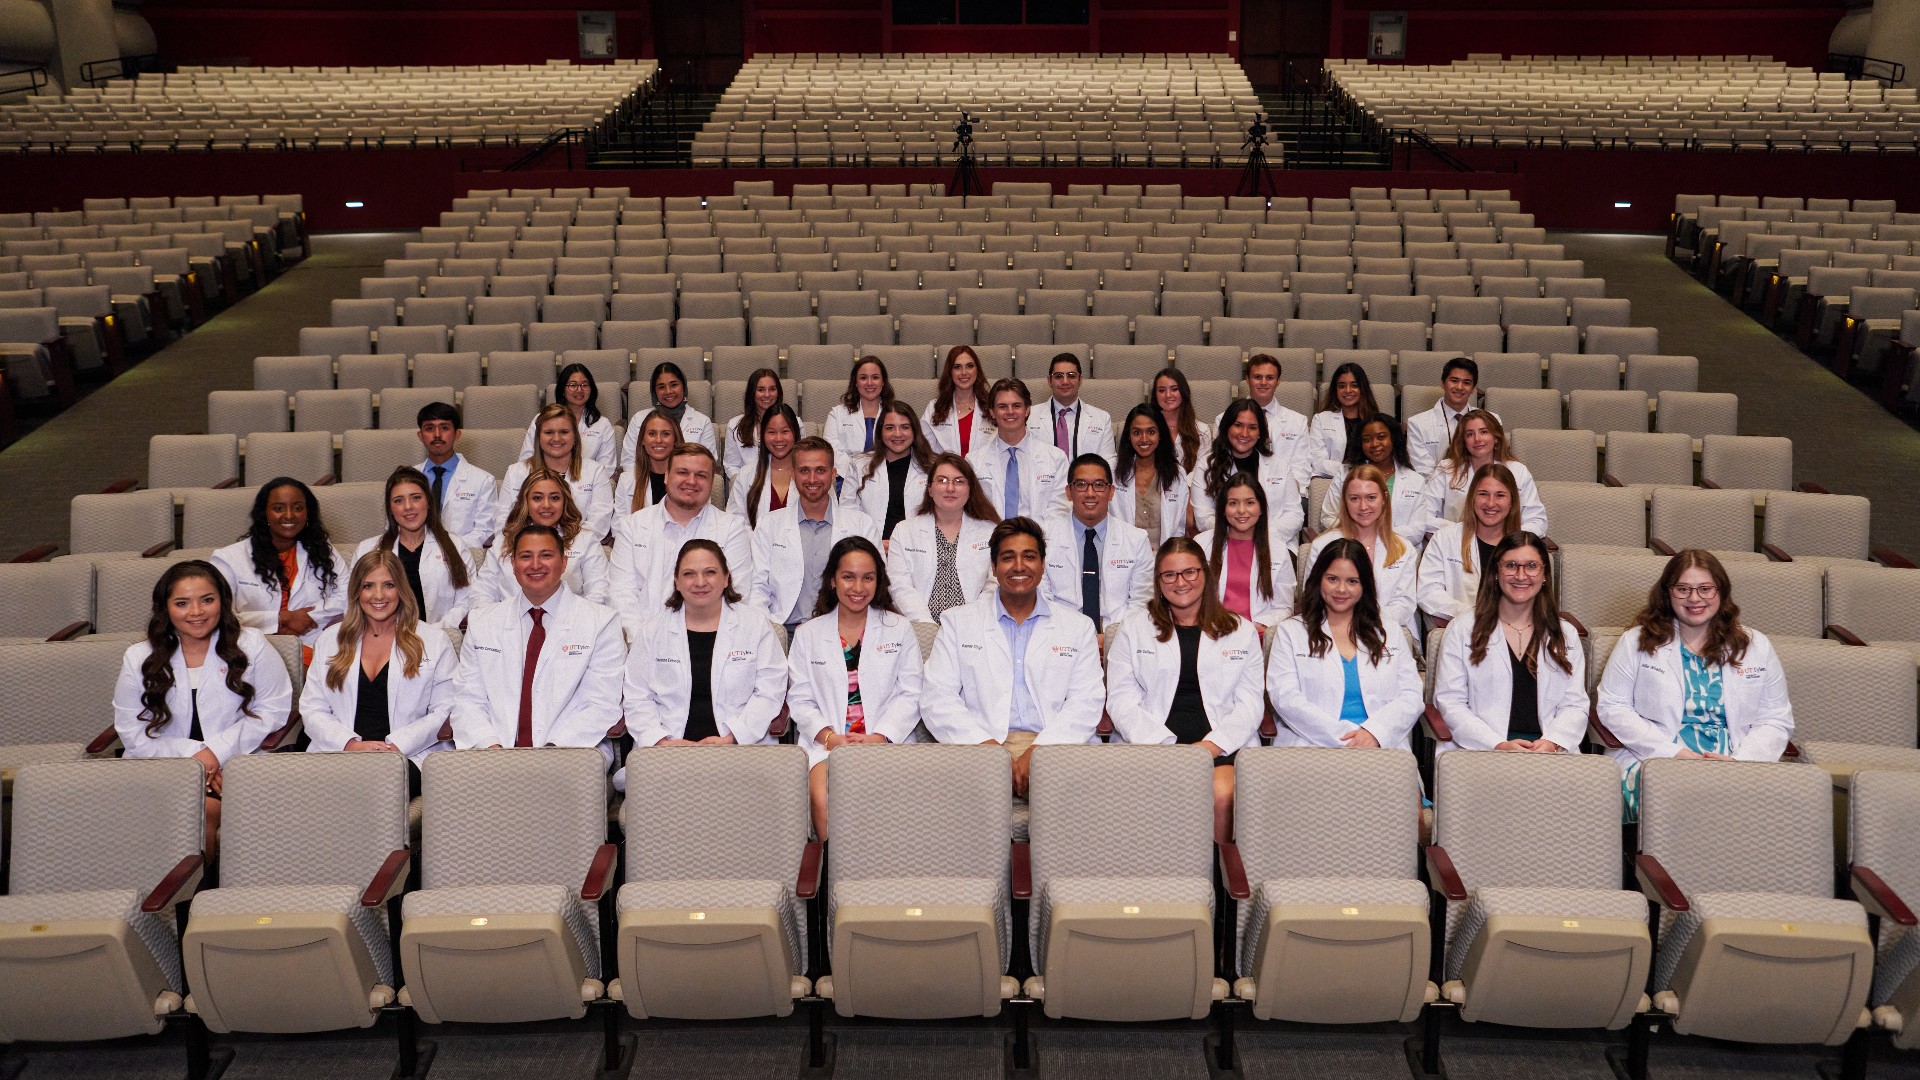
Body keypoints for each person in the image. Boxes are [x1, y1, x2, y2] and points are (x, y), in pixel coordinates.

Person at [1597, 549, 1794, 820]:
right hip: (1654, 757)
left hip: (1734, 759)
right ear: (1668, 593)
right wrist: (1673, 753)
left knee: (1786, 803)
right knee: (1683, 801)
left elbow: (1775, 719)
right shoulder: (1637, 641)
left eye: (1705, 589)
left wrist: (1740, 762)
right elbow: (1613, 707)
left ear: (1721, 592)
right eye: (1683, 589)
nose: (1694, 598)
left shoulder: (1755, 645)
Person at [113, 560, 293, 851]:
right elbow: (132, 731)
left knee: (198, 817)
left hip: (232, 768)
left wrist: (216, 752)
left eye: (207, 600)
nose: (196, 612)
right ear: (166, 608)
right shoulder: (138, 657)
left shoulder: (252, 644)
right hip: (161, 768)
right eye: (182, 603)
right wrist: (197, 755)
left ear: (222, 601)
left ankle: (192, 894)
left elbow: (273, 710)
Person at [922, 517, 1104, 797]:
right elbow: (938, 698)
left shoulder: (1078, 627)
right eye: (1008, 557)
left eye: (1029, 557)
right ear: (993, 567)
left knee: (1070, 819)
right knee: (968, 821)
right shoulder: (958, 623)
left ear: (1043, 565)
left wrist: (1038, 753)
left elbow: (1086, 701)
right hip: (980, 745)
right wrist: (989, 751)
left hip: (1056, 746)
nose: (1019, 566)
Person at [1105, 538, 1265, 841]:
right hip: (1152, 746)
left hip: (1221, 747)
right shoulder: (1134, 628)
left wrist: (1210, 747)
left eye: (1190, 572)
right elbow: (1121, 700)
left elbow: (1251, 705)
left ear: (1205, 573)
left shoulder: (1240, 630)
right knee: (1142, 794)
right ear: (1158, 581)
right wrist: (1164, 746)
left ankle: (1218, 883)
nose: (1181, 582)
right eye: (1170, 575)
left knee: (1221, 795)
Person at [449, 524, 625, 759]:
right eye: (525, 556)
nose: (535, 565)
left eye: (546, 555)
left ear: (563, 563)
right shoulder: (482, 622)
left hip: (571, 753)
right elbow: (468, 699)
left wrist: (550, 753)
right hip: (493, 754)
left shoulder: (601, 622)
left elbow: (602, 704)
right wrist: (491, 748)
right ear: (513, 564)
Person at [787, 536, 925, 839]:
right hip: (828, 744)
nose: (858, 588)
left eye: (868, 578)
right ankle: (835, 877)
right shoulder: (808, 633)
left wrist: (880, 737)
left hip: (887, 742)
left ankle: (886, 875)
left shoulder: (899, 629)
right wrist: (830, 737)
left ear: (879, 582)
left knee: (893, 805)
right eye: (848, 577)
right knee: (824, 797)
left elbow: (911, 692)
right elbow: (800, 698)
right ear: (833, 581)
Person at [301, 550, 458, 798]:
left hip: (406, 755)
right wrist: (350, 744)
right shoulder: (330, 640)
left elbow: (444, 710)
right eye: (368, 586)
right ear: (356, 592)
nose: (378, 596)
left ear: (401, 590)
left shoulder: (434, 641)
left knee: (369, 794)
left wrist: (394, 746)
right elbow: (312, 709)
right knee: (317, 794)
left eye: (388, 585)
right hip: (340, 752)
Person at [622, 539, 786, 756]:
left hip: (741, 748)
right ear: (676, 582)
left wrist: (733, 738)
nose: (700, 582)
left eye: (710, 572)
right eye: (689, 574)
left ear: (727, 578)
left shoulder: (755, 625)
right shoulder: (652, 630)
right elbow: (637, 696)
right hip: (668, 751)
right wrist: (662, 742)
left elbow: (769, 691)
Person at [1431, 532, 1587, 755]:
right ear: (1496, 572)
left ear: (1544, 574)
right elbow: (1450, 702)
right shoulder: (1463, 629)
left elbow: (1575, 705)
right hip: (1480, 748)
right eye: (1511, 565)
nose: (1521, 575)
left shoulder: (1564, 634)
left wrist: (1552, 741)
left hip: (1547, 751)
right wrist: (1497, 744)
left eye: (1531, 566)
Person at [1266, 538, 1423, 750]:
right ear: (1318, 579)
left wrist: (1374, 734)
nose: (1341, 589)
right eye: (1332, 579)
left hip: (1378, 746)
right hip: (1311, 745)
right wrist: (1346, 738)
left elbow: (1411, 695)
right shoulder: (1290, 632)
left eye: (1352, 581)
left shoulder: (1389, 631)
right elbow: (1285, 698)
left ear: (1365, 585)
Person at [608, 442, 753, 638]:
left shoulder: (732, 529)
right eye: (682, 472)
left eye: (701, 475)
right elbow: (621, 594)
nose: (691, 481)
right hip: (644, 641)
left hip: (711, 640)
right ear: (666, 476)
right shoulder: (632, 527)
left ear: (712, 482)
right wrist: (645, 642)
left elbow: (736, 594)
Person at [747, 436, 882, 636]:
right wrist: (768, 632)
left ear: (833, 474)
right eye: (804, 471)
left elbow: (877, 582)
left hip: (844, 632)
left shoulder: (861, 525)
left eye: (820, 470)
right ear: (793, 475)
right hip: (785, 631)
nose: (812, 479)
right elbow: (758, 587)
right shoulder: (769, 525)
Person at [211, 477, 348, 655]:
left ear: (308, 513)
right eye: (278, 508)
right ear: (264, 513)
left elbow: (347, 594)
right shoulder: (228, 559)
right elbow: (221, 614)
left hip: (314, 643)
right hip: (254, 647)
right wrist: (280, 619)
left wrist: (308, 617)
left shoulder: (322, 550)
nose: (289, 515)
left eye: (298, 508)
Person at [1042, 453, 1154, 638]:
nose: (1090, 493)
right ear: (1068, 492)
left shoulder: (1136, 540)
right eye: (1081, 485)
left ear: (1111, 492)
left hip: (1119, 638)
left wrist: (1111, 639)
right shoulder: (1044, 538)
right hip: (1061, 637)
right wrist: (1079, 639)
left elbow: (1141, 603)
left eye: (1099, 485)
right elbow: (1043, 600)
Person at [353, 466, 478, 630]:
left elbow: (467, 600)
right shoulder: (367, 550)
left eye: (416, 498)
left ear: (428, 502)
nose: (408, 507)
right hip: (382, 640)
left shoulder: (455, 546)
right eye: (398, 500)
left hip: (439, 637)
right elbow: (354, 602)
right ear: (390, 508)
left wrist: (432, 633)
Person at [1305, 465, 1420, 641]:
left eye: (1371, 497)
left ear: (1384, 498)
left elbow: (1404, 605)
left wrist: (1364, 622)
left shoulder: (1404, 549)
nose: (1363, 506)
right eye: (1354, 498)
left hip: (1385, 634)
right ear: (1344, 501)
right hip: (1332, 634)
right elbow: (1313, 599)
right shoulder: (1322, 545)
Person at [886, 452, 999, 624]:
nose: (950, 488)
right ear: (930, 488)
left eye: (959, 481)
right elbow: (900, 586)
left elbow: (994, 583)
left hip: (975, 624)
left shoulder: (990, 532)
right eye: (942, 480)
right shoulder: (905, 531)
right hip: (920, 627)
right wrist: (927, 625)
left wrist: (970, 620)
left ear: (970, 489)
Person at [475, 469, 611, 606]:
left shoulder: (585, 540)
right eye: (537, 498)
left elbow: (598, 592)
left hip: (572, 623)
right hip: (509, 623)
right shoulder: (502, 543)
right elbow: (482, 593)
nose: (546, 505)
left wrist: (574, 622)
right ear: (525, 502)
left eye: (555, 498)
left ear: (565, 502)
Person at [1408, 409, 1546, 541]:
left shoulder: (1518, 471)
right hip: (1457, 542)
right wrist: (1464, 530)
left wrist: (1505, 536)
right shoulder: (1447, 469)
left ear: (1496, 437)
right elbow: (1423, 515)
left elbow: (1537, 521)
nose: (1477, 439)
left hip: (1505, 546)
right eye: (1469, 434)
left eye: (1484, 432)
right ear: (1463, 441)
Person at [1190, 399, 1305, 556]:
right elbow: (1204, 517)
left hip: (1274, 545)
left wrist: (1263, 537)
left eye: (1252, 427)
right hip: (1224, 545)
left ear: (1260, 433)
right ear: (1226, 428)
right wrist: (1236, 535)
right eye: (1238, 425)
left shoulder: (1280, 465)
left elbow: (1295, 514)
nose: (1244, 434)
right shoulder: (1206, 465)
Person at [1417, 464, 1522, 626]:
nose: (1491, 503)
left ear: (1512, 501)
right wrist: (1473, 615)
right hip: (1463, 632)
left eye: (1500, 495)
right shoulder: (1445, 539)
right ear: (1472, 498)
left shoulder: (1524, 546)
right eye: (1483, 494)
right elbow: (1428, 592)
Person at [496, 403, 614, 542]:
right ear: (538, 437)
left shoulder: (596, 472)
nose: (556, 438)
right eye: (549, 432)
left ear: (575, 436)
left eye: (564, 432)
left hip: (577, 548)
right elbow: (505, 522)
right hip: (527, 548)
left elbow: (598, 524)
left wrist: (561, 544)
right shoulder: (515, 472)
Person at [1194, 473, 1295, 633]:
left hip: (1256, 635)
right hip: (1210, 632)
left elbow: (1284, 607)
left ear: (1261, 508)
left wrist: (1259, 628)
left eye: (1249, 503)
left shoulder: (1278, 550)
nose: (1241, 510)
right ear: (1223, 509)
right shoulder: (1200, 544)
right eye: (1233, 503)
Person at [969, 377, 1069, 523]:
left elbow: (1059, 510)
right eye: (1002, 406)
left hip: (1040, 541)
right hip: (991, 541)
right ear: (992, 412)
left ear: (1027, 410)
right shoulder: (973, 462)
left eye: (1016, 405)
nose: (1010, 412)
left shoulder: (1056, 458)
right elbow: (975, 513)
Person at [1315, 413, 1425, 539]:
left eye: (1381, 437)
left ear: (1394, 439)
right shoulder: (1345, 473)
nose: (1374, 444)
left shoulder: (1415, 480)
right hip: (1353, 547)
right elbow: (1328, 517)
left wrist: (1377, 536)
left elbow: (1418, 530)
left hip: (1398, 549)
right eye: (1367, 439)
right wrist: (1358, 534)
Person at [842, 400, 934, 544]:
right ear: (880, 432)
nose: (897, 434)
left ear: (914, 430)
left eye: (905, 427)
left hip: (920, 549)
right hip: (870, 549)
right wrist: (875, 543)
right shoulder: (859, 465)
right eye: (890, 428)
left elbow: (940, 516)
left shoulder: (932, 468)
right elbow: (848, 515)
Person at [1216, 353, 1312, 489]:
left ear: (1278, 381)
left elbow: (1301, 468)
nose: (1263, 383)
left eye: (1270, 378)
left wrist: (1282, 491)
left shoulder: (1298, 421)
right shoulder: (1223, 419)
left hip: (1285, 493)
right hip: (1236, 493)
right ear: (1247, 380)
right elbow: (1220, 462)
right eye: (1257, 377)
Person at [416, 402, 498, 550]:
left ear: (457, 434)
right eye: (429, 428)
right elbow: (394, 526)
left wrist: (444, 549)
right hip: (413, 557)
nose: (437, 435)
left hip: (461, 557)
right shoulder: (407, 479)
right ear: (420, 435)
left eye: (444, 428)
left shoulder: (483, 481)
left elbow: (485, 532)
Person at [1406, 357, 1502, 475]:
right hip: (1436, 489)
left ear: (1473, 389)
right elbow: (1423, 472)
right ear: (1442, 383)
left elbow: (1498, 462)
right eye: (1454, 380)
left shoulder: (1492, 420)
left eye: (1466, 383)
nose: (1459, 387)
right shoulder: (1418, 424)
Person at [1112, 404, 1190, 547]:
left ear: (1160, 435)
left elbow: (1179, 528)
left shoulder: (1177, 474)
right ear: (1128, 436)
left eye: (1151, 432)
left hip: (1164, 556)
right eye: (1137, 432)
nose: (1144, 439)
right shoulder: (1112, 471)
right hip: (1124, 554)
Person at [519, 362, 617, 475]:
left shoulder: (602, 424)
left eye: (584, 385)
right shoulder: (541, 419)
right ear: (562, 390)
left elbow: (606, 469)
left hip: (586, 486)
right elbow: (526, 460)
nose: (579, 390)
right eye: (572, 385)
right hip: (544, 483)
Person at [622, 359, 718, 469]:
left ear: (684, 387)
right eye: (661, 387)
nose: (668, 391)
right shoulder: (638, 419)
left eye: (674, 385)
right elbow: (628, 462)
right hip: (646, 482)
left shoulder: (702, 421)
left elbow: (708, 463)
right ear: (655, 392)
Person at [1025, 352, 1116, 467]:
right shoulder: (1029, 416)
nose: (1065, 382)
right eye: (1058, 376)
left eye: (1071, 375)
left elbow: (1108, 463)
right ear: (1049, 380)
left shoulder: (1102, 419)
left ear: (1080, 379)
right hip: (1041, 483)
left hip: (1085, 483)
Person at [728, 402, 801, 528]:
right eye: (771, 432)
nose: (778, 439)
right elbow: (735, 523)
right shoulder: (746, 474)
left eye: (785, 431)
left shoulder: (813, 474)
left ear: (795, 433)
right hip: (754, 546)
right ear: (763, 435)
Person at [821, 355, 896, 476]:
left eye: (875, 377)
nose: (870, 383)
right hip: (846, 478)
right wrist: (856, 473)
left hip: (888, 476)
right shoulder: (837, 414)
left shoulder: (895, 414)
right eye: (863, 378)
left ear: (883, 382)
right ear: (855, 382)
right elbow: (830, 451)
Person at [1307, 361, 1382, 480]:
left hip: (1369, 482)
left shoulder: (1376, 421)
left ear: (1362, 388)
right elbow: (1318, 462)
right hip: (1330, 482)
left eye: (1354, 385)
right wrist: (1353, 471)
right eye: (1342, 386)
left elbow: (1381, 461)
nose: (1348, 390)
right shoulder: (1321, 419)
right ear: (1335, 390)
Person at [723, 368, 793, 481]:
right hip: (748, 487)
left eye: (772, 389)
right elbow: (732, 466)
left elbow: (799, 459)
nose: (767, 395)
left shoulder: (794, 422)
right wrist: (745, 485)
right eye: (761, 390)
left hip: (785, 483)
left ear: (778, 392)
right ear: (752, 393)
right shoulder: (735, 425)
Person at [922, 344, 992, 456]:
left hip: (985, 472)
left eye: (970, 366)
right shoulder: (935, 407)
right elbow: (925, 450)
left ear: (977, 370)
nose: (964, 372)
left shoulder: (992, 406)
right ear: (950, 372)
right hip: (946, 471)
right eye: (957, 367)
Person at [614, 408, 684, 513]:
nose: (659, 440)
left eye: (666, 434)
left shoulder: (691, 479)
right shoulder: (626, 480)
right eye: (652, 434)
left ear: (675, 440)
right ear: (642, 440)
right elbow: (619, 526)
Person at [1152, 367, 1210, 475]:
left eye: (1174, 389)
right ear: (1155, 395)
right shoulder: (1146, 428)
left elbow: (1202, 470)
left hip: (1191, 489)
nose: (1168, 395)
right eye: (1161, 390)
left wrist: (1184, 488)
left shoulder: (1202, 430)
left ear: (1183, 392)